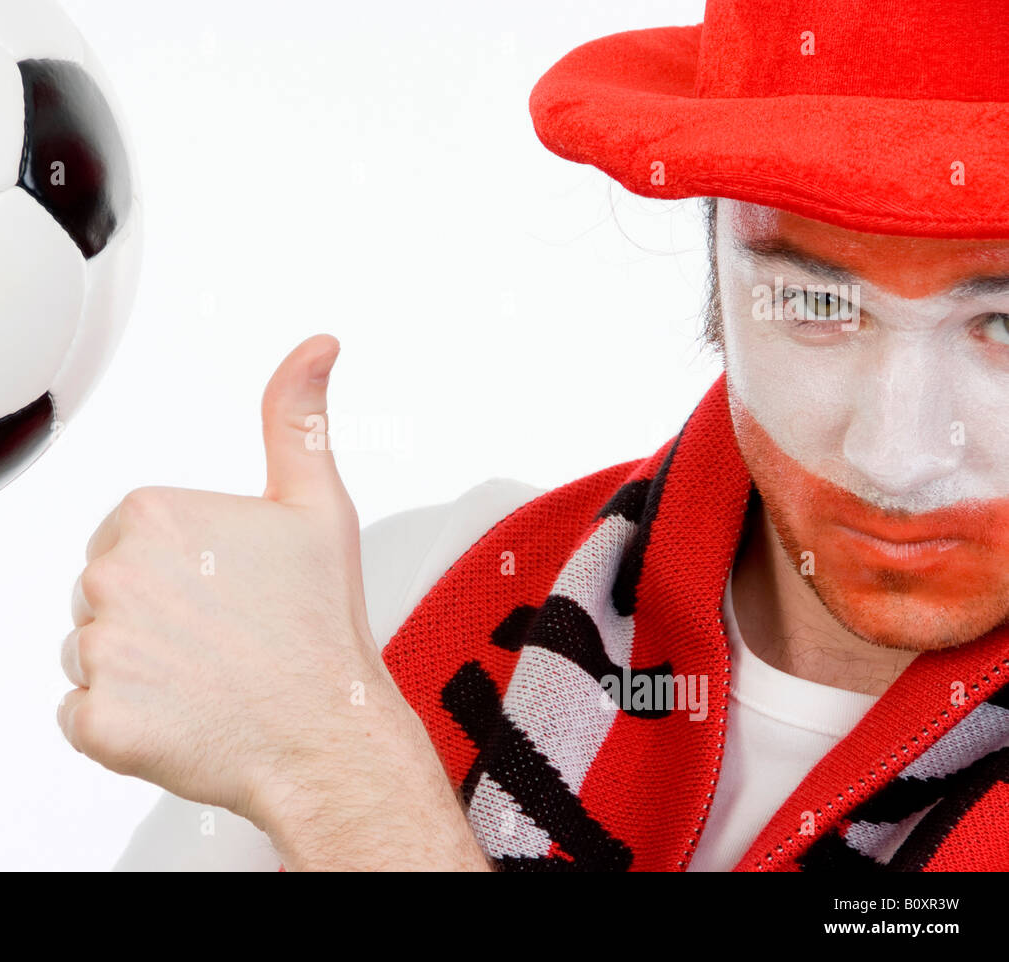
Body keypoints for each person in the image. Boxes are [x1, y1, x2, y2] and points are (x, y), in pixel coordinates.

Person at [60, 0, 1009, 870]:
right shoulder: (397, 599)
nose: (899, 455)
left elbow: (328, 760)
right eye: (814, 301)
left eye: (1002, 325)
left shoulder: (329, 704)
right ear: (714, 249)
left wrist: (333, 774)